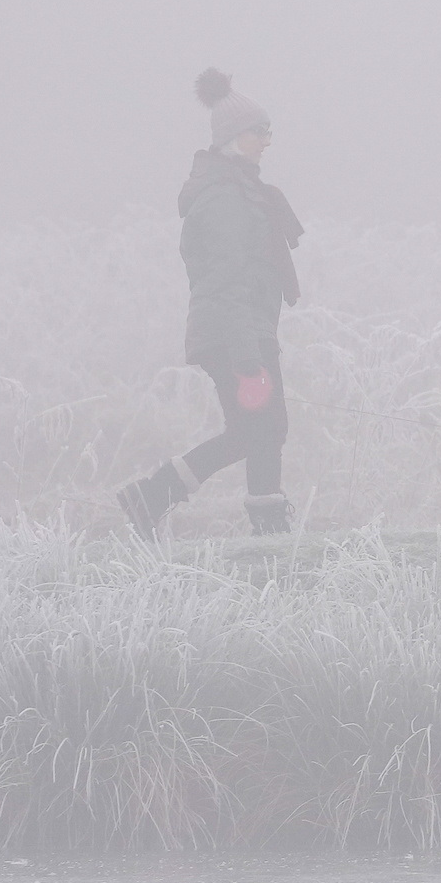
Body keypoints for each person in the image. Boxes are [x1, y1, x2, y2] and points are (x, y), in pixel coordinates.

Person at [118, 69, 306, 537]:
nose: (267, 141)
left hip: (241, 330)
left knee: (257, 430)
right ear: (231, 139)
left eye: (268, 131)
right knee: (262, 428)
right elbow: (225, 281)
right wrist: (247, 355)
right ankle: (263, 526)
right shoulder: (226, 199)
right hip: (234, 332)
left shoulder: (240, 192)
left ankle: (156, 499)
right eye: (259, 132)